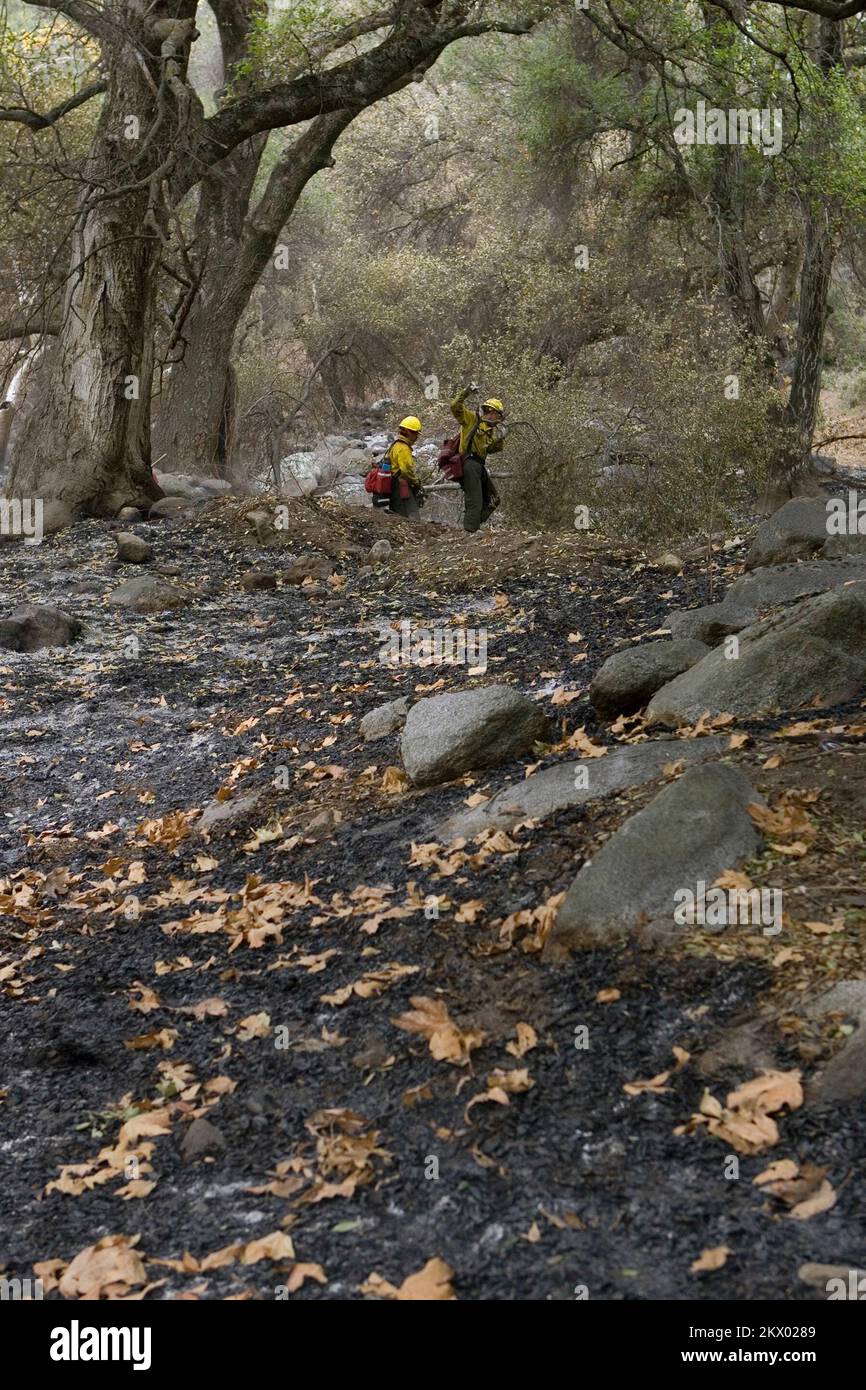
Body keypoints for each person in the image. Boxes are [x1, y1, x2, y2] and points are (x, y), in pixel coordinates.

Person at [450, 384, 505, 532]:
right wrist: (466, 391)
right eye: (498, 415)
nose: (499, 419)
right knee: (474, 501)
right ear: (492, 412)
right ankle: (470, 533)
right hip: (469, 464)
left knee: (494, 499)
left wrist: (500, 439)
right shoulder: (471, 419)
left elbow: (492, 449)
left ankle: (473, 525)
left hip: (479, 466)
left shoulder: (489, 430)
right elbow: (455, 406)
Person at [384, 415, 426, 521]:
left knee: (397, 514)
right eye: (415, 433)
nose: (417, 437)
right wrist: (416, 482)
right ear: (408, 432)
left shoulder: (396, 445)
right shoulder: (403, 448)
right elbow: (406, 471)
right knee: (411, 514)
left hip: (392, 485)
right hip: (399, 486)